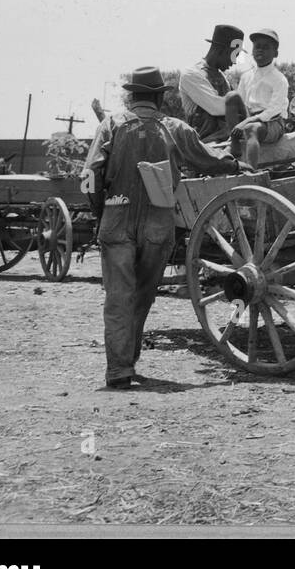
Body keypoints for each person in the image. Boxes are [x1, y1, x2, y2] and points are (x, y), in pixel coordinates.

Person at [83, 67, 245, 390]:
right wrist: (233, 161)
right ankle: (128, 361)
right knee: (142, 294)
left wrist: (100, 210)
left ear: (131, 96)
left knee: (118, 297)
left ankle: (119, 368)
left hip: (116, 220)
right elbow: (208, 160)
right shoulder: (174, 128)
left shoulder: (111, 125)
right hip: (158, 225)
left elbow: (89, 176)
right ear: (159, 97)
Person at [230, 28, 290, 169]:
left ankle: (251, 171)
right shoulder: (246, 77)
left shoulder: (279, 79)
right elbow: (243, 103)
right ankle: (234, 148)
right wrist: (242, 120)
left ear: (275, 53)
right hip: (250, 119)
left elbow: (273, 110)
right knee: (232, 98)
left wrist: (247, 121)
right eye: (257, 46)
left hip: (274, 122)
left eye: (266, 47)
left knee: (252, 128)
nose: (260, 50)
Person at [178, 24, 245, 141]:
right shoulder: (191, 74)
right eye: (234, 55)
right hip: (205, 144)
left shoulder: (222, 77)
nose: (234, 62)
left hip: (227, 139)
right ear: (222, 50)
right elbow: (216, 107)